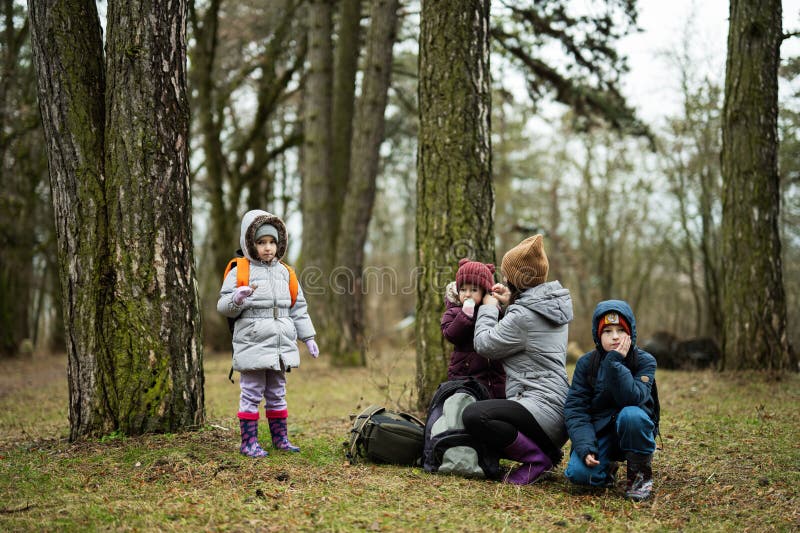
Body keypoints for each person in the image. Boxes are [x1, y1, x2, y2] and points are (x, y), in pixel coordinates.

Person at [462, 234, 573, 484]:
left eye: (506, 275)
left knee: (474, 416)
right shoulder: (551, 306)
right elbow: (526, 326)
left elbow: (484, 343)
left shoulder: (523, 316)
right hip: (555, 412)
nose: (504, 279)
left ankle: (538, 459)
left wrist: (490, 307)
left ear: (516, 279)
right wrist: (511, 301)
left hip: (540, 408)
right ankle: (544, 452)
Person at [218, 209, 319, 458]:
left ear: (279, 243)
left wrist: (308, 337)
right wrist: (237, 298)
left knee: (277, 392)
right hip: (252, 340)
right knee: (251, 392)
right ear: (249, 243)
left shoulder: (286, 272)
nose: (267, 248)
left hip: (280, 344)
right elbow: (224, 307)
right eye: (261, 242)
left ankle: (280, 439)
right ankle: (248, 442)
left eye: (272, 242)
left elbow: (298, 308)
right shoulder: (239, 271)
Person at [563, 300, 657, 501]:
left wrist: (614, 361)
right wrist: (585, 445)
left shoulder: (645, 361)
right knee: (579, 476)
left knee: (631, 415)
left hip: (633, 429)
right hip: (600, 431)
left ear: (629, 332)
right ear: (598, 335)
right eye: (607, 331)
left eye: (620, 330)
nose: (615, 337)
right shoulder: (586, 363)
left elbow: (634, 398)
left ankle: (640, 476)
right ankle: (606, 469)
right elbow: (576, 409)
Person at [441, 258, 506, 399]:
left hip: (493, 373)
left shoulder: (493, 310)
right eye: (463, 290)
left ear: (484, 292)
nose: (468, 294)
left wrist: (497, 305)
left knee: (495, 399)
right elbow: (451, 335)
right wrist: (465, 316)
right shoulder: (454, 312)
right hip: (465, 374)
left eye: (474, 290)